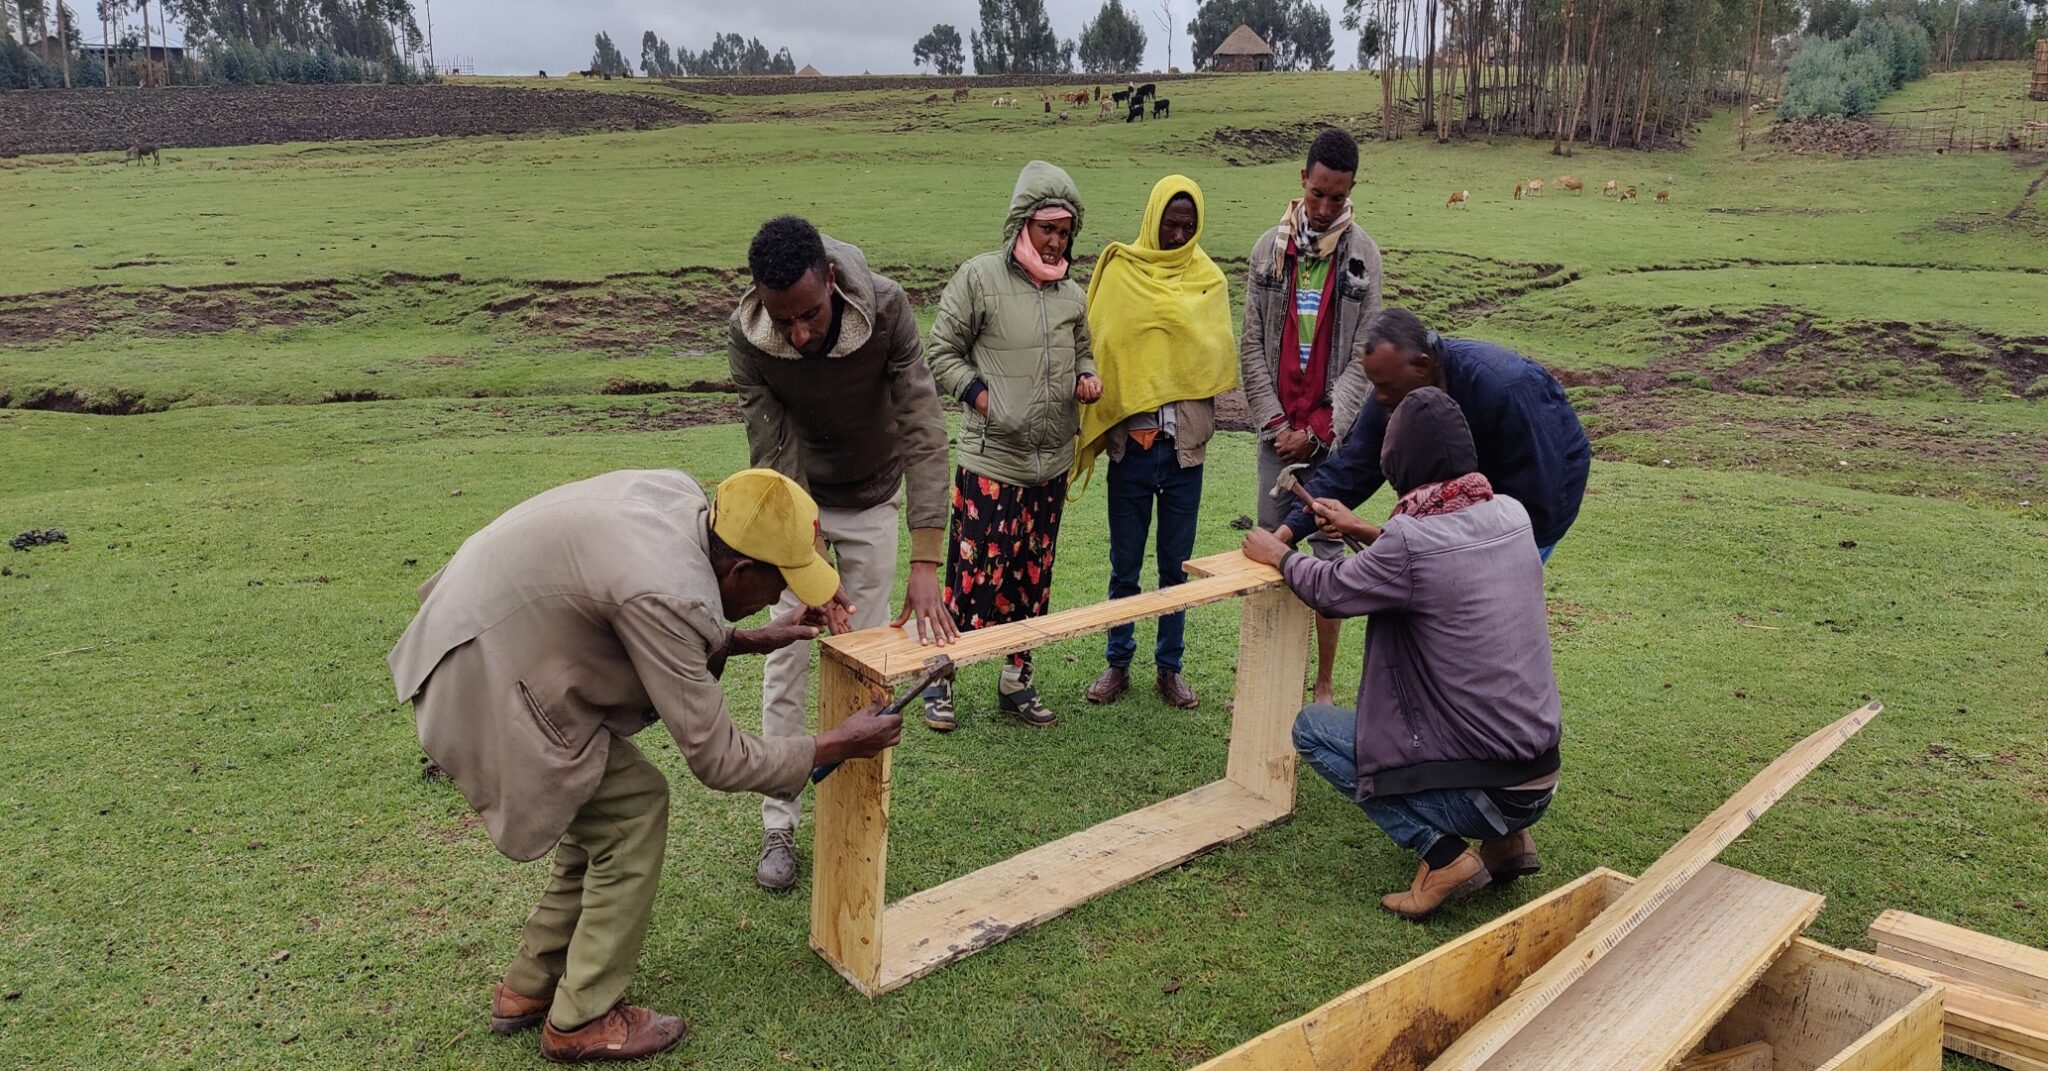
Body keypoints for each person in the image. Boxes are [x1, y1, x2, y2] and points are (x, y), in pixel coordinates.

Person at [387, 469, 903, 1062]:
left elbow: (633, 603)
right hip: (479, 677)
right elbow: (719, 758)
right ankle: (580, 1019)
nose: (780, 599)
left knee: (602, 814)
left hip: (486, 636)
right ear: (740, 571)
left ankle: (527, 988)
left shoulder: (681, 500)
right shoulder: (667, 593)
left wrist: (744, 638)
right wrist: (837, 744)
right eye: (779, 583)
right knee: (632, 810)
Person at [1242, 389, 1561, 922]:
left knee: (1312, 729)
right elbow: (1430, 563)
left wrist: (1278, 553)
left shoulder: (1411, 543)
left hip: (1483, 789)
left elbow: (1331, 590)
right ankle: (1510, 842)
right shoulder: (1510, 513)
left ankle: (1445, 857)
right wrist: (1363, 529)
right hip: (1537, 779)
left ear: (1400, 461)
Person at [727, 215, 956, 892]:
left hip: (875, 493)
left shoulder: (887, 309)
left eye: (810, 314)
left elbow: (923, 427)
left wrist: (926, 560)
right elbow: (773, 450)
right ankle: (779, 821)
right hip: (797, 507)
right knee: (787, 656)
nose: (799, 334)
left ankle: (855, 805)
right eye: (784, 320)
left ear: (831, 279)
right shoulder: (748, 336)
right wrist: (809, 554)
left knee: (863, 656)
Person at [922, 159, 1100, 731]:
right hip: (992, 462)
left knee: (1032, 579)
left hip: (1050, 465)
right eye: (1046, 228)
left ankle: (1016, 680)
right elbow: (941, 351)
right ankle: (938, 678)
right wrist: (982, 398)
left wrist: (1086, 376)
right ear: (1023, 223)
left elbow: (1082, 350)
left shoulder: (1072, 294)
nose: (1055, 242)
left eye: (1064, 231)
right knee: (972, 576)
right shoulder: (979, 279)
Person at [1073, 175, 1237, 710]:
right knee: (1124, 566)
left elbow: (1214, 359)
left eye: (1189, 225)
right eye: (1171, 223)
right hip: (1133, 451)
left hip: (1184, 451)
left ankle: (1170, 668)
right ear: (1153, 219)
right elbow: (1103, 347)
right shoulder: (1123, 273)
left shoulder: (1208, 281)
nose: (1179, 234)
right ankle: (1117, 663)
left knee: (1176, 567)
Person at [1238, 126, 1385, 706]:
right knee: (1271, 553)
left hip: (1331, 442)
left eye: (1337, 197)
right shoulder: (1267, 251)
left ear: (1352, 190)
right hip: (1276, 438)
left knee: (1328, 554)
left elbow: (1364, 356)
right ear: (1303, 180)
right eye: (1318, 193)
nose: (1325, 208)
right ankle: (1266, 682)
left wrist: (1321, 432)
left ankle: (1321, 684)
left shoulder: (1363, 258)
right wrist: (1277, 428)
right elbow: (1251, 344)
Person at [1274, 307, 1590, 563]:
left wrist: (1507, 548)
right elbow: (1354, 465)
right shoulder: (1396, 389)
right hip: (1474, 501)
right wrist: (1287, 531)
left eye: (1385, 386)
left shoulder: (1501, 388)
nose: (1379, 397)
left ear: (1422, 364)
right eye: (1375, 385)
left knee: (1479, 594)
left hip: (1541, 495)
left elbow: (1533, 492)